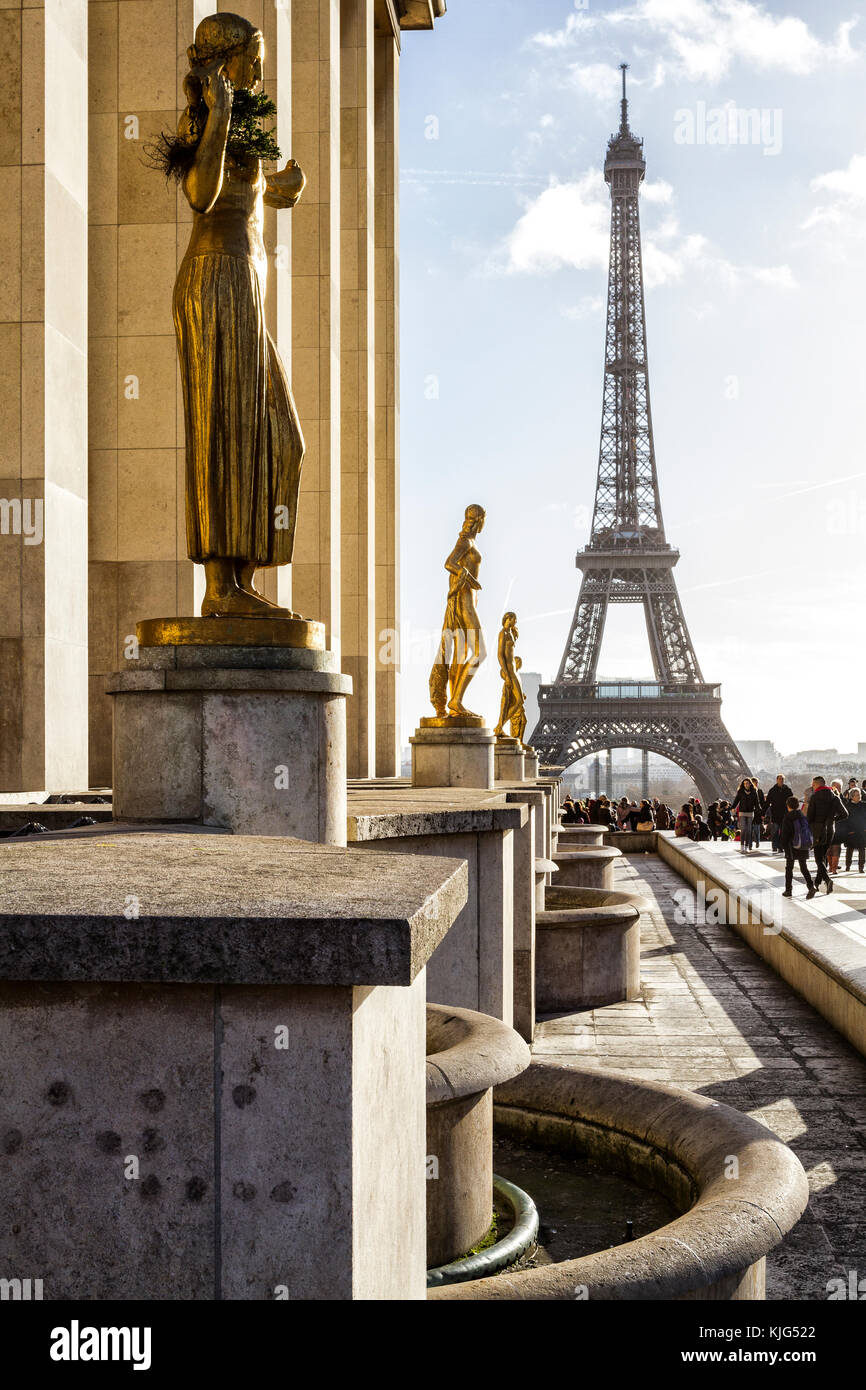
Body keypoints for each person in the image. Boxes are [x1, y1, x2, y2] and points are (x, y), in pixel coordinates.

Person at [807, 776, 848, 893]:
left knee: (818, 858)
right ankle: (817, 883)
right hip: (830, 829)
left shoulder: (814, 797)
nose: (812, 787)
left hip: (818, 830)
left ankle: (827, 880)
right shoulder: (834, 796)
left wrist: (809, 828)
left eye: (813, 784)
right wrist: (833, 819)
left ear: (817, 784)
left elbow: (810, 816)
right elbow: (845, 814)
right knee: (823, 856)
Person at [779, 795, 816, 900]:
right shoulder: (803, 816)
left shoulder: (788, 817)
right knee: (803, 867)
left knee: (789, 868)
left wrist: (783, 846)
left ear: (788, 806)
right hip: (803, 845)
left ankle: (788, 890)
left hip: (792, 846)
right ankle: (811, 886)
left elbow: (785, 835)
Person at [731, 777, 761, 854]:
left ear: (750, 784)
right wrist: (733, 807)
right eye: (744, 784)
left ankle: (747, 846)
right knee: (743, 829)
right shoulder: (740, 791)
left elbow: (757, 803)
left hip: (750, 812)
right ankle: (742, 846)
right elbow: (736, 800)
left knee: (749, 830)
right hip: (742, 812)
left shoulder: (754, 792)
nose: (746, 785)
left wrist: (760, 811)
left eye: (747, 783)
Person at [765, 774, 793, 854]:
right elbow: (767, 802)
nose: (781, 780)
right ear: (777, 780)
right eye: (780, 779)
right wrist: (763, 812)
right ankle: (774, 846)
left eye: (782, 779)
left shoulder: (787, 789)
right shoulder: (773, 790)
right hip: (775, 813)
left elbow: (791, 800)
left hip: (784, 813)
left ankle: (780, 846)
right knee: (775, 831)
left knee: (783, 831)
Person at [844, 788, 866, 874]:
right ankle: (848, 865)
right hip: (851, 830)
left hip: (862, 830)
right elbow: (845, 819)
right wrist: (848, 830)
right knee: (850, 848)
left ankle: (861, 867)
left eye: (859, 795)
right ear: (852, 797)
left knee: (862, 849)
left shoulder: (864, 805)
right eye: (857, 795)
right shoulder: (847, 806)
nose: (859, 797)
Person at [827, 780, 847, 876]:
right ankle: (830, 867)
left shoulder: (843, 799)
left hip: (839, 827)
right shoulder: (828, 798)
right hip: (829, 827)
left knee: (836, 848)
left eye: (839, 787)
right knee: (829, 848)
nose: (837, 789)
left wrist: (835, 819)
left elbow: (846, 814)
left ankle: (834, 868)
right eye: (835, 787)